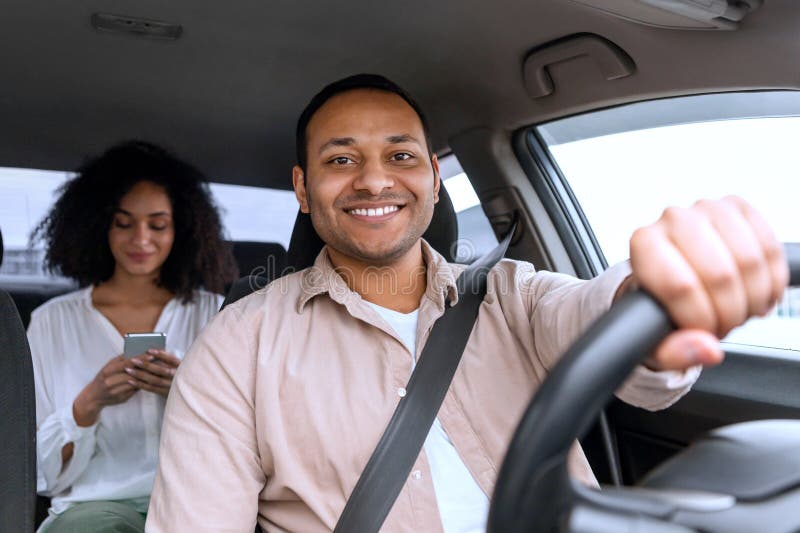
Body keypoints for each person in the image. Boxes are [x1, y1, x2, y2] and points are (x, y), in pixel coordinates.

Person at [146, 75, 788, 533]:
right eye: (341, 160)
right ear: (304, 189)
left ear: (430, 176)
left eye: (399, 156)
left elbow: (595, 311)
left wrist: (653, 295)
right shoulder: (236, 347)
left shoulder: (513, 294)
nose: (374, 179)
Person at [29, 141, 237, 532]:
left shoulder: (218, 315)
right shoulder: (51, 323)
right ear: (97, 225)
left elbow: (253, 442)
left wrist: (187, 391)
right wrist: (88, 404)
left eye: (157, 225)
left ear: (183, 229)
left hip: (198, 504)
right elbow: (41, 475)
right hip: (94, 509)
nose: (141, 240)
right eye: (123, 223)